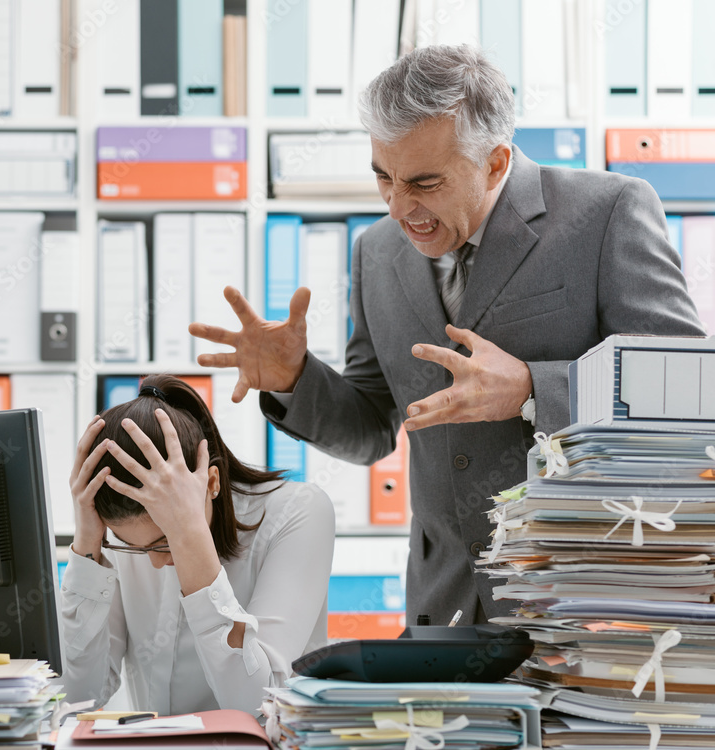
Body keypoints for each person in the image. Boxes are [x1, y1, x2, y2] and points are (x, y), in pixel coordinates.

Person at [188, 45, 707, 626]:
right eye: (383, 178)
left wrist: (533, 389)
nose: (400, 207)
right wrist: (295, 380)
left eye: (425, 183)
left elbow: (684, 391)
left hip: (584, 592)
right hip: (444, 604)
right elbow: (374, 426)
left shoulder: (607, 211)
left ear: (493, 161)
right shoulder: (377, 251)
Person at [59, 374, 335, 715]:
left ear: (212, 482)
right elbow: (76, 697)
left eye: (163, 542)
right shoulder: (122, 538)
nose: (155, 563)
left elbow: (259, 705)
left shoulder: (298, 512)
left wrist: (188, 535)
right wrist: (87, 544)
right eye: (135, 546)